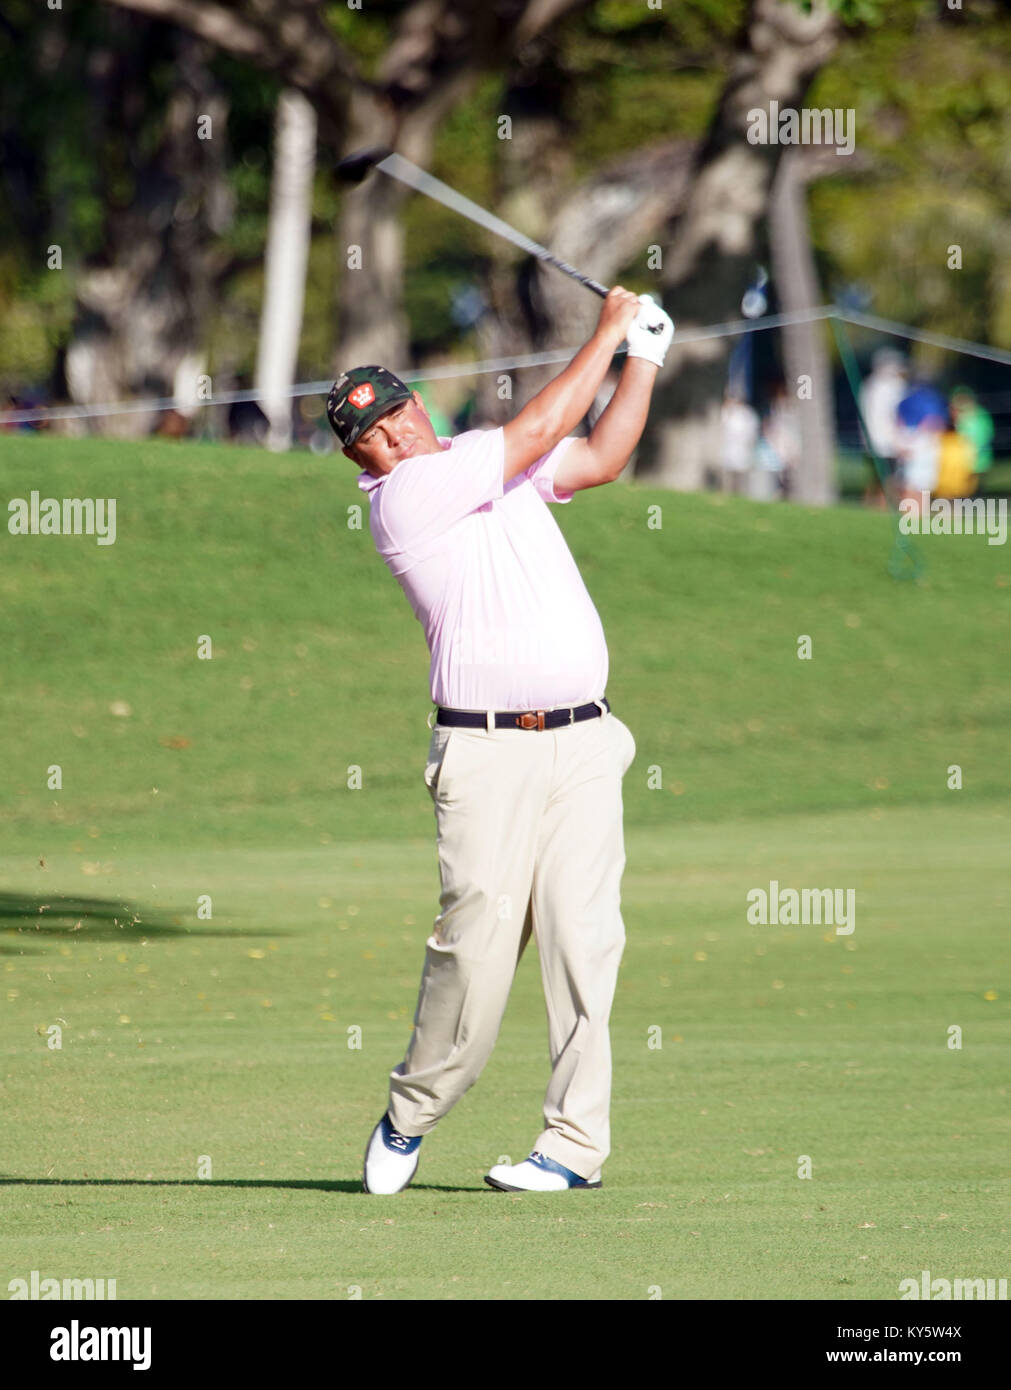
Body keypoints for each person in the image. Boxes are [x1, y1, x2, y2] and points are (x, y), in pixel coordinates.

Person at [326, 286, 675, 1195]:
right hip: (485, 757)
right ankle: (411, 1114)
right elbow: (534, 430)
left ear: (415, 407)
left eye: (394, 414)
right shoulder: (407, 498)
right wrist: (605, 332)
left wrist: (644, 356)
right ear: (362, 458)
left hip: (583, 746)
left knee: (582, 943)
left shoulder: (495, 468)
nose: (391, 436)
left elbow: (597, 456)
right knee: (473, 959)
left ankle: (571, 1148)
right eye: (367, 434)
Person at [858, 348, 907, 507]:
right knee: (886, 478)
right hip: (885, 442)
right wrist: (897, 439)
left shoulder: (871, 385)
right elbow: (890, 415)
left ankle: (874, 506)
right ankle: (882, 507)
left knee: (878, 479)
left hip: (875, 440)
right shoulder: (888, 386)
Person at [950, 387, 994, 494]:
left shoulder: (981, 416)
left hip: (979, 456)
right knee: (965, 484)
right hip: (964, 457)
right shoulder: (961, 417)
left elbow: (987, 433)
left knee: (975, 483)